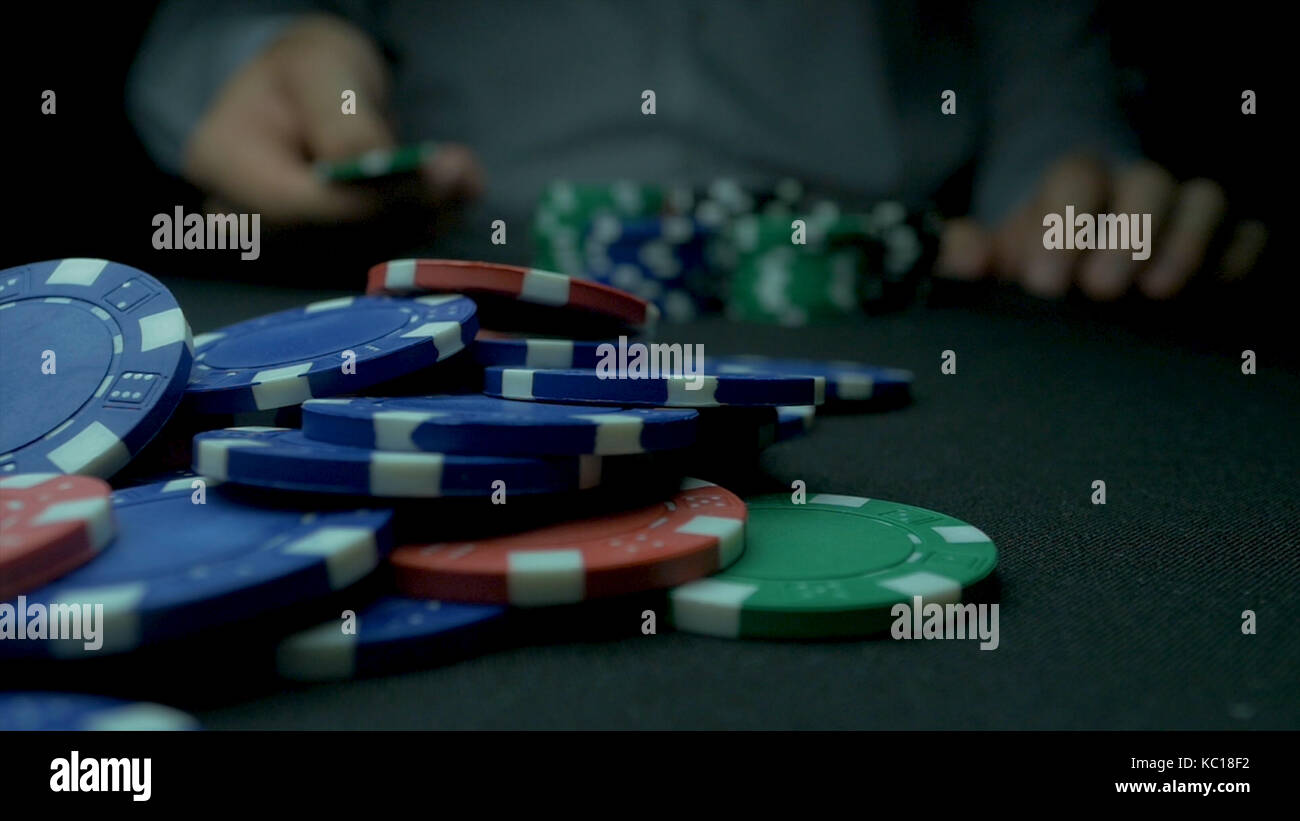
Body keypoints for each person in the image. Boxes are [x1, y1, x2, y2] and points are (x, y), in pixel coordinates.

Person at [127, 1, 1265, 301]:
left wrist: (1077, 200)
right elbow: (234, 26)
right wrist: (267, 50)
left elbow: (1051, 94)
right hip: (447, 287)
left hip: (932, 304)